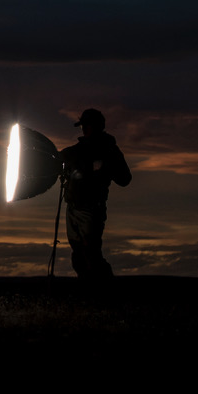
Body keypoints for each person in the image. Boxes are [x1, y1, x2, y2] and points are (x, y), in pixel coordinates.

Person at [59, 108, 131, 283]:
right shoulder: (76, 151)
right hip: (73, 207)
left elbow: (125, 178)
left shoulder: (109, 150)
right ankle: (90, 290)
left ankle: (103, 290)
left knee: (90, 252)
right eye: (83, 126)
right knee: (78, 254)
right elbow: (62, 159)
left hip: (92, 208)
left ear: (97, 126)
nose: (84, 129)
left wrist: (104, 168)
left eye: (87, 125)